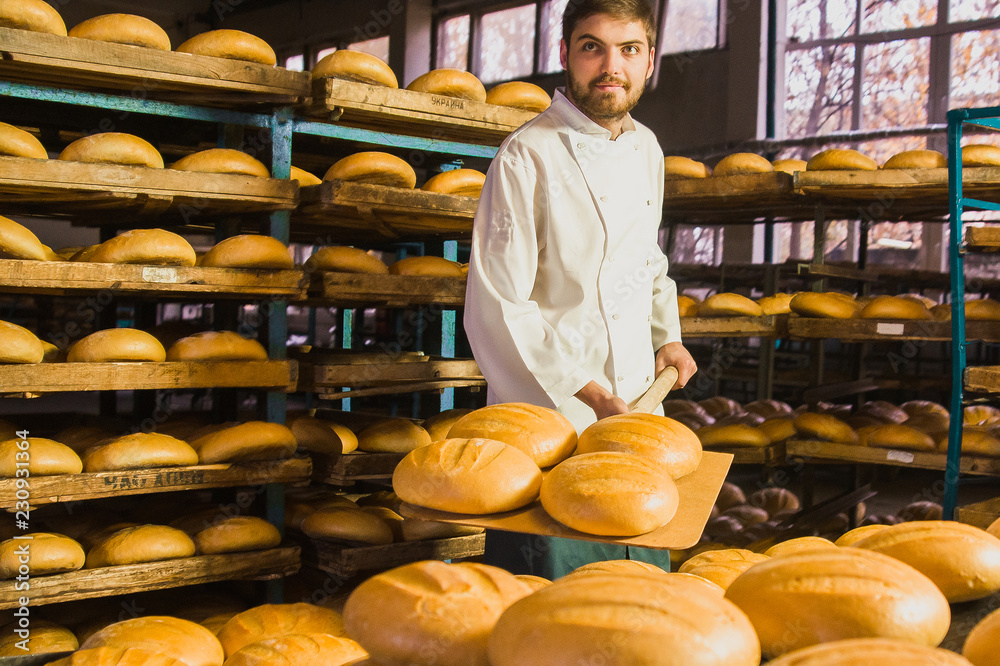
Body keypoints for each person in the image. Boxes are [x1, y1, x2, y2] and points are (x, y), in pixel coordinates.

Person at [464, 0, 698, 578]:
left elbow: (648, 260)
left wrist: (667, 336)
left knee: (634, 594)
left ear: (650, 62)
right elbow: (498, 305)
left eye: (629, 50)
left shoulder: (648, 148)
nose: (610, 66)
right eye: (592, 47)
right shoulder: (527, 154)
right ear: (566, 55)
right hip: (551, 416)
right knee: (552, 600)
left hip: (637, 413)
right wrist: (588, 394)